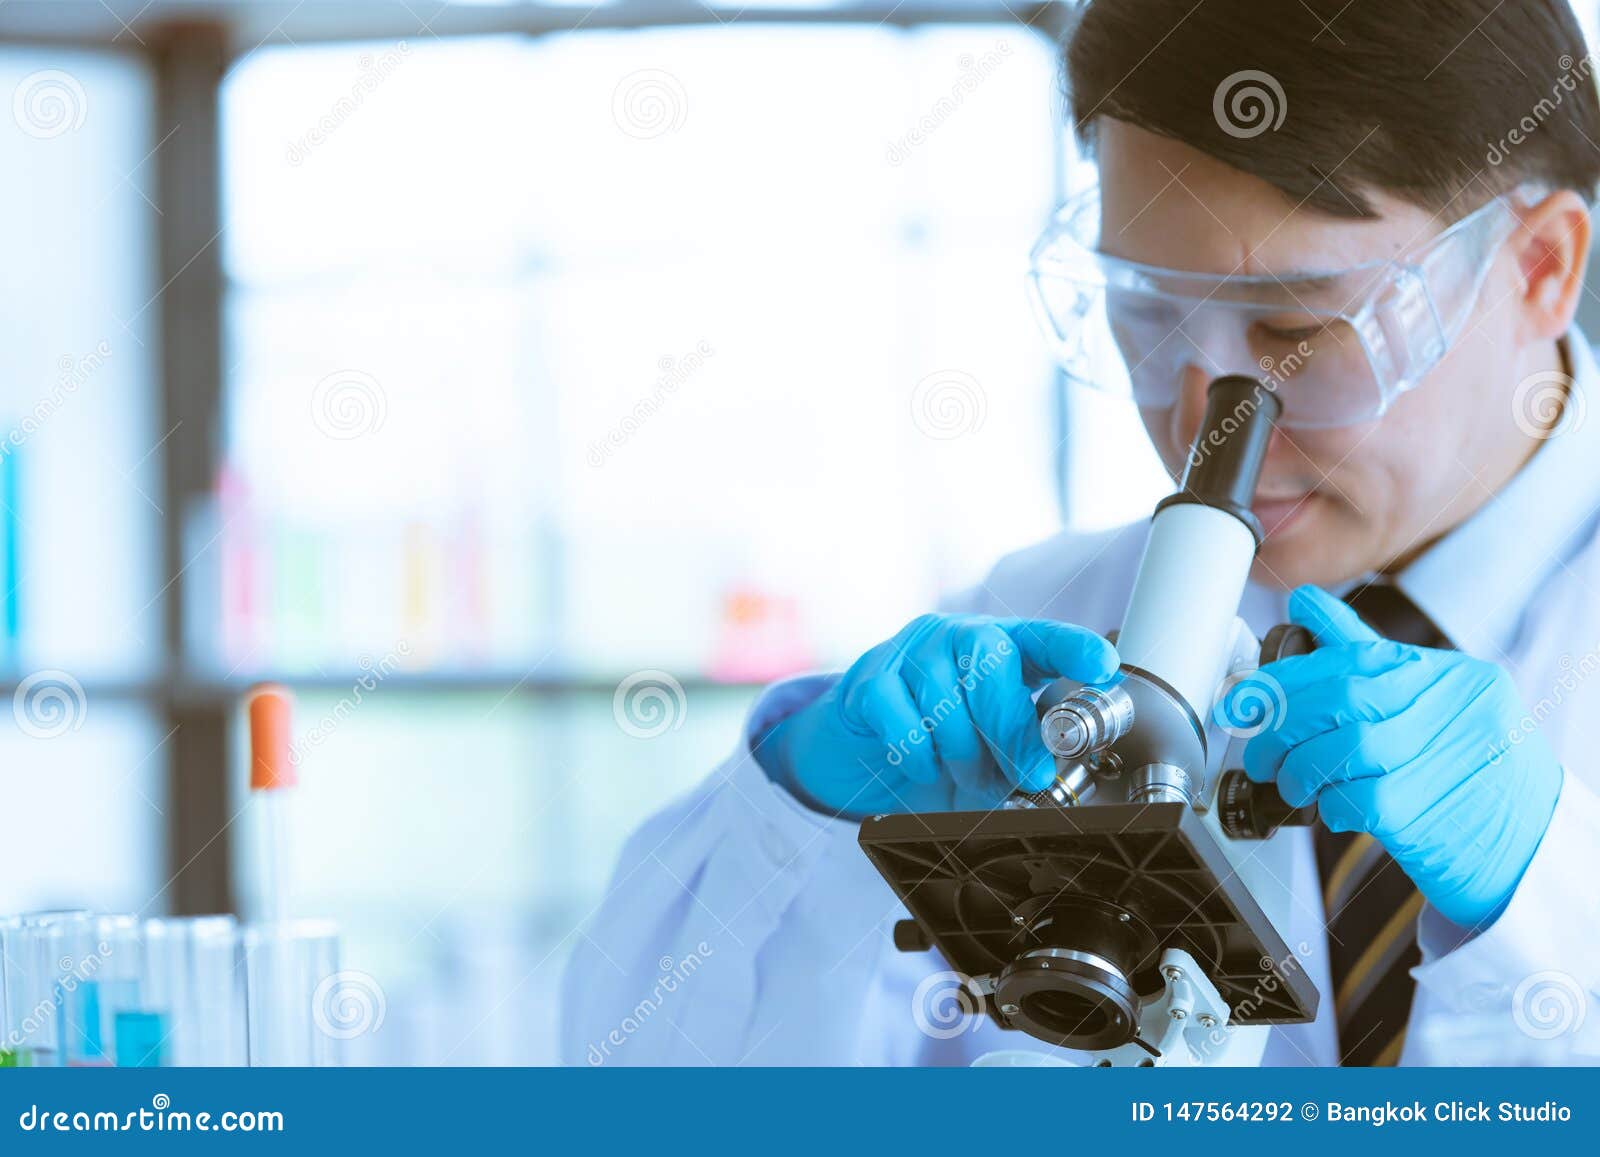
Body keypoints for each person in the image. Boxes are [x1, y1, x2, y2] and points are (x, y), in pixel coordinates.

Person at [562, 0, 1600, 1066]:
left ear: (1539, 267)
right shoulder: (1046, 635)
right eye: (1151, 316)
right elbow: (636, 1075)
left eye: (1296, 328)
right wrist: (808, 821)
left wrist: (1553, 899)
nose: (1202, 422)